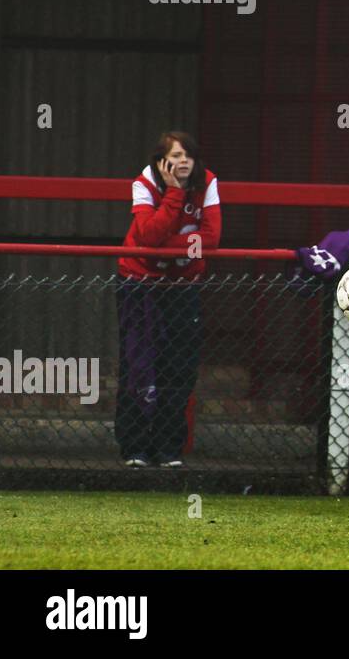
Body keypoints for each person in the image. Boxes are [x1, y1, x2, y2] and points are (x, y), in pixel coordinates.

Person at [115, 132, 221, 468]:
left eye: (188, 154)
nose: (184, 161)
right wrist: (174, 194)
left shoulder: (207, 183)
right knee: (137, 365)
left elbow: (211, 239)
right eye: (176, 155)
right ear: (161, 161)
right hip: (139, 285)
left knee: (179, 368)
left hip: (182, 288)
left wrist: (169, 247)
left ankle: (168, 450)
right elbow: (147, 237)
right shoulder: (144, 183)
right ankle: (134, 449)